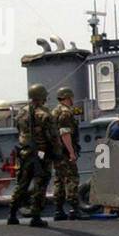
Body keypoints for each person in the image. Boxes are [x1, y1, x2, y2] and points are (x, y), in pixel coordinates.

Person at [9, 84, 58, 227]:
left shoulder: (21, 112)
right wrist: (57, 154)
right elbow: (53, 137)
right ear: (42, 97)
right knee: (40, 184)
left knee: (22, 184)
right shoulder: (45, 114)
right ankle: (36, 216)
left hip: (24, 153)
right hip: (41, 154)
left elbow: (18, 129)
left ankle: (12, 214)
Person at [51, 86, 85, 221]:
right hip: (65, 152)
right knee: (72, 179)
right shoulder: (66, 113)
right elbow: (65, 134)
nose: (73, 100)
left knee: (59, 180)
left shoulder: (54, 111)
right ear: (67, 97)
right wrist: (71, 152)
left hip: (56, 152)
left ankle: (58, 210)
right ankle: (74, 209)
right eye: (71, 97)